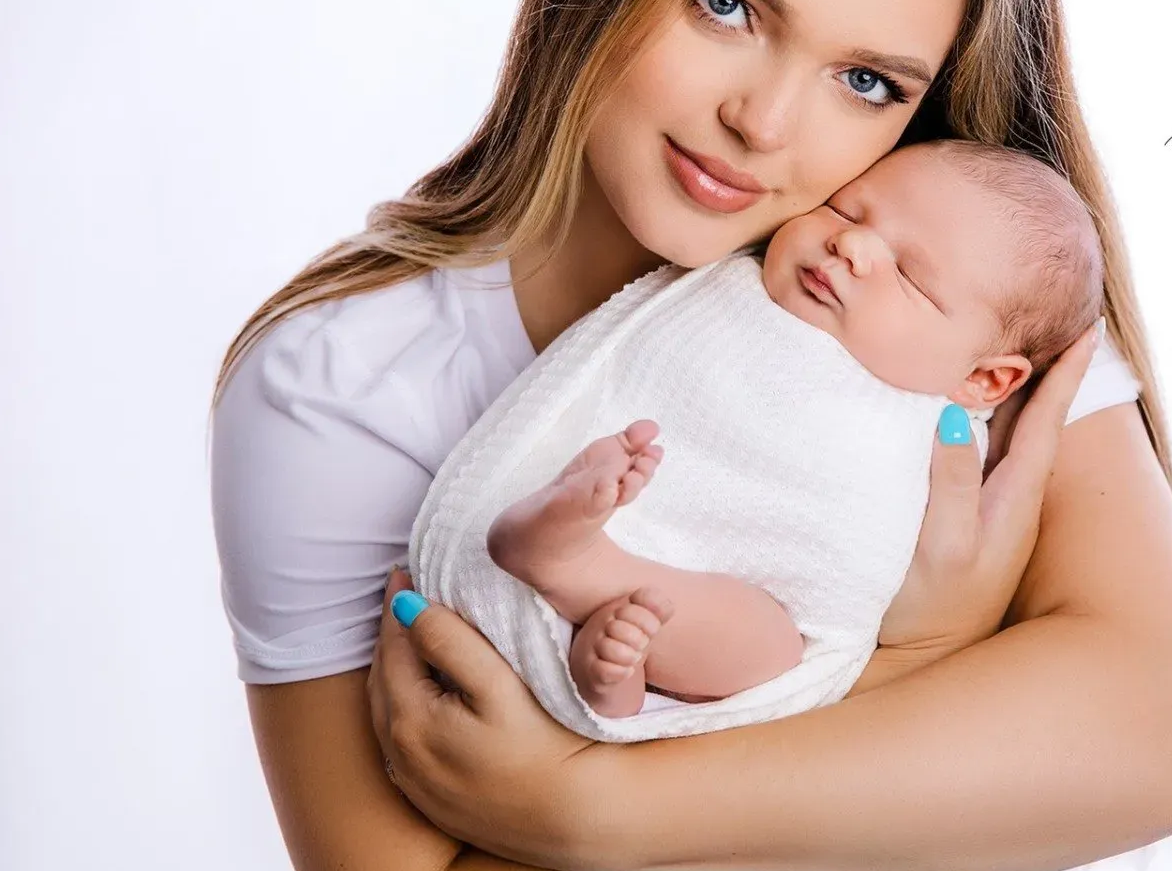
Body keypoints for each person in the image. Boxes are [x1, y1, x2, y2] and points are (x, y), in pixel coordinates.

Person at [211, 0, 1172, 871]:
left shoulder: (955, 293)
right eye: (728, 5)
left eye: (866, 80)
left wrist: (578, 803)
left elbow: (1167, 748)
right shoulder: (344, 389)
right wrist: (928, 674)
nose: (765, 122)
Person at [467, 139, 1105, 726]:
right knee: (610, 468)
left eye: (910, 275)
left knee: (771, 645)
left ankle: (609, 666)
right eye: (845, 211)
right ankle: (575, 562)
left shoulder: (941, 431)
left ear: (985, 380)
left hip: (711, 613)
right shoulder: (731, 286)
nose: (852, 246)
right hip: (612, 506)